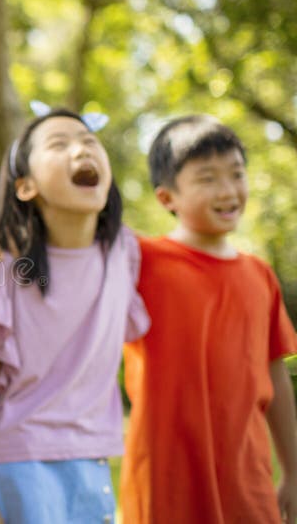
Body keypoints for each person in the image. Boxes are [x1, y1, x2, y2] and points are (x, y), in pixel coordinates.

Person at [0, 107, 150, 524]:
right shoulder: (7, 263)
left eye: (89, 141)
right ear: (26, 186)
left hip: (94, 458)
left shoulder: (125, 252)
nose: (81, 150)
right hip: (21, 461)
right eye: (59, 144)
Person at [121, 115, 297, 524]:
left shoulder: (259, 275)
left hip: (246, 481)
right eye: (207, 178)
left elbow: (276, 376)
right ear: (167, 198)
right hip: (164, 482)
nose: (228, 190)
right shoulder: (140, 261)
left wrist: (292, 470)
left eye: (236, 174)